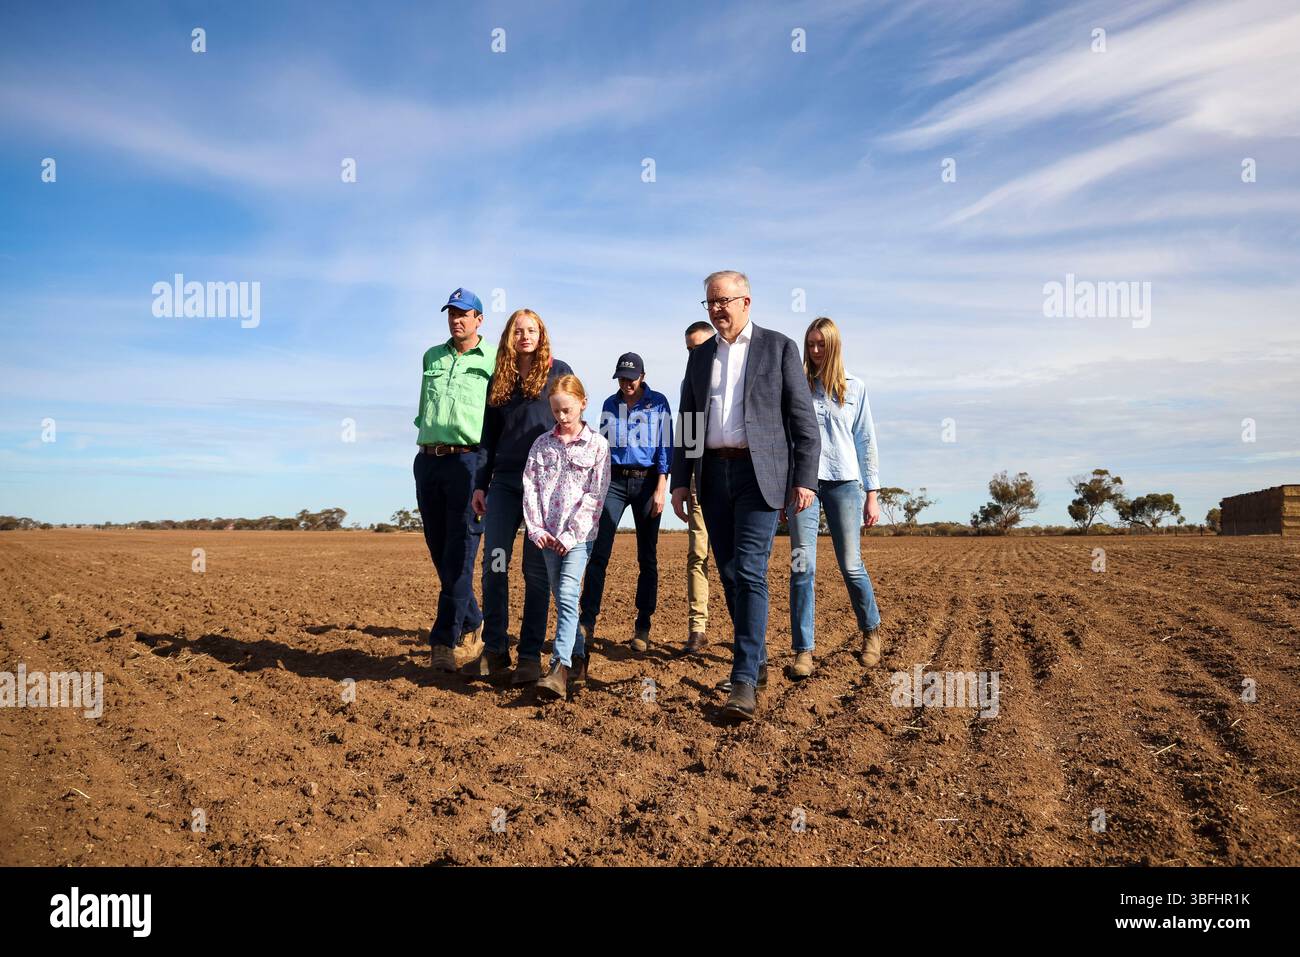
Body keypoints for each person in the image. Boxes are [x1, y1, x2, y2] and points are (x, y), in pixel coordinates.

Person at [670, 271, 821, 721]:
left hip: (761, 475)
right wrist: (681, 478)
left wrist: (805, 480)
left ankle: (742, 681)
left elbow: (802, 421)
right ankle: (756, 662)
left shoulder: (779, 347)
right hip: (713, 474)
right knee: (730, 571)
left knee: (751, 570)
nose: (717, 309)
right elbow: (690, 420)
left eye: (724, 301)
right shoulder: (700, 357)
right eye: (710, 303)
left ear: (747, 302)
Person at [461, 309, 574, 684]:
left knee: (535, 572)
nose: (524, 336)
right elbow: (487, 439)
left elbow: (572, 419)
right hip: (505, 484)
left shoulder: (559, 372)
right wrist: (480, 483)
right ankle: (494, 651)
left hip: (543, 484)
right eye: (518, 331)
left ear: (541, 335)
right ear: (509, 336)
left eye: (532, 330)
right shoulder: (500, 380)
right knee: (494, 564)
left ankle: (528, 657)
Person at [788, 317, 884, 678]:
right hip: (804, 485)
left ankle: (871, 630)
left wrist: (872, 493)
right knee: (802, 567)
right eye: (809, 344)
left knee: (851, 565)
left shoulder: (855, 388)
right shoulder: (796, 386)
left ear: (833, 346)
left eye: (820, 344)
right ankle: (803, 651)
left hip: (845, 484)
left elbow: (866, 441)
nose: (814, 351)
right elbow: (789, 440)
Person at [413, 287, 497, 673]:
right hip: (429, 460)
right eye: (452, 313)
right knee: (439, 553)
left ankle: (443, 641)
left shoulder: (495, 359)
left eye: (464, 313)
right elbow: (422, 410)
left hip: (469, 461)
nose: (456, 319)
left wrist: (489, 469)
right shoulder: (432, 355)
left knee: (461, 554)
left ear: (480, 318)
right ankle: (475, 620)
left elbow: (498, 418)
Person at [522, 375, 612, 701]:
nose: (561, 417)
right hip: (548, 537)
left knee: (567, 590)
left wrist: (572, 534)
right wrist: (537, 529)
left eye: (567, 410)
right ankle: (580, 656)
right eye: (556, 411)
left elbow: (596, 495)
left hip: (580, 537)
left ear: (582, 403)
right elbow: (530, 487)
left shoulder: (598, 446)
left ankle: (558, 668)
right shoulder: (541, 444)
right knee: (563, 601)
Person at [579, 353, 672, 655]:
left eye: (631, 378)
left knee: (647, 557)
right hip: (615, 482)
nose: (626, 383)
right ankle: (586, 623)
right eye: (621, 377)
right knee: (598, 553)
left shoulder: (658, 403)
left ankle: (643, 625)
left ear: (642, 376)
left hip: (647, 484)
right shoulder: (609, 404)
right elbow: (602, 448)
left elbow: (665, 446)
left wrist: (661, 487)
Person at [681, 321, 716, 656]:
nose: (694, 355)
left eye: (700, 348)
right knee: (698, 555)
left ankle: (748, 634)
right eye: (689, 350)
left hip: (739, 483)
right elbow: (688, 432)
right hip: (700, 485)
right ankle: (697, 629)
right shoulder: (688, 382)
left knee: (740, 561)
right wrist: (683, 482)